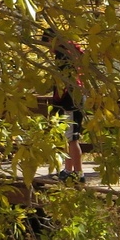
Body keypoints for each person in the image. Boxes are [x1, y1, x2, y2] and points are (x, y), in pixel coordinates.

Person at [43, 29, 85, 181]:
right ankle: (68, 170)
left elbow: (65, 81)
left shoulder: (64, 54)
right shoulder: (70, 51)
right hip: (69, 99)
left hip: (70, 100)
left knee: (72, 138)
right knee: (68, 137)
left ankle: (78, 173)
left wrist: (58, 100)